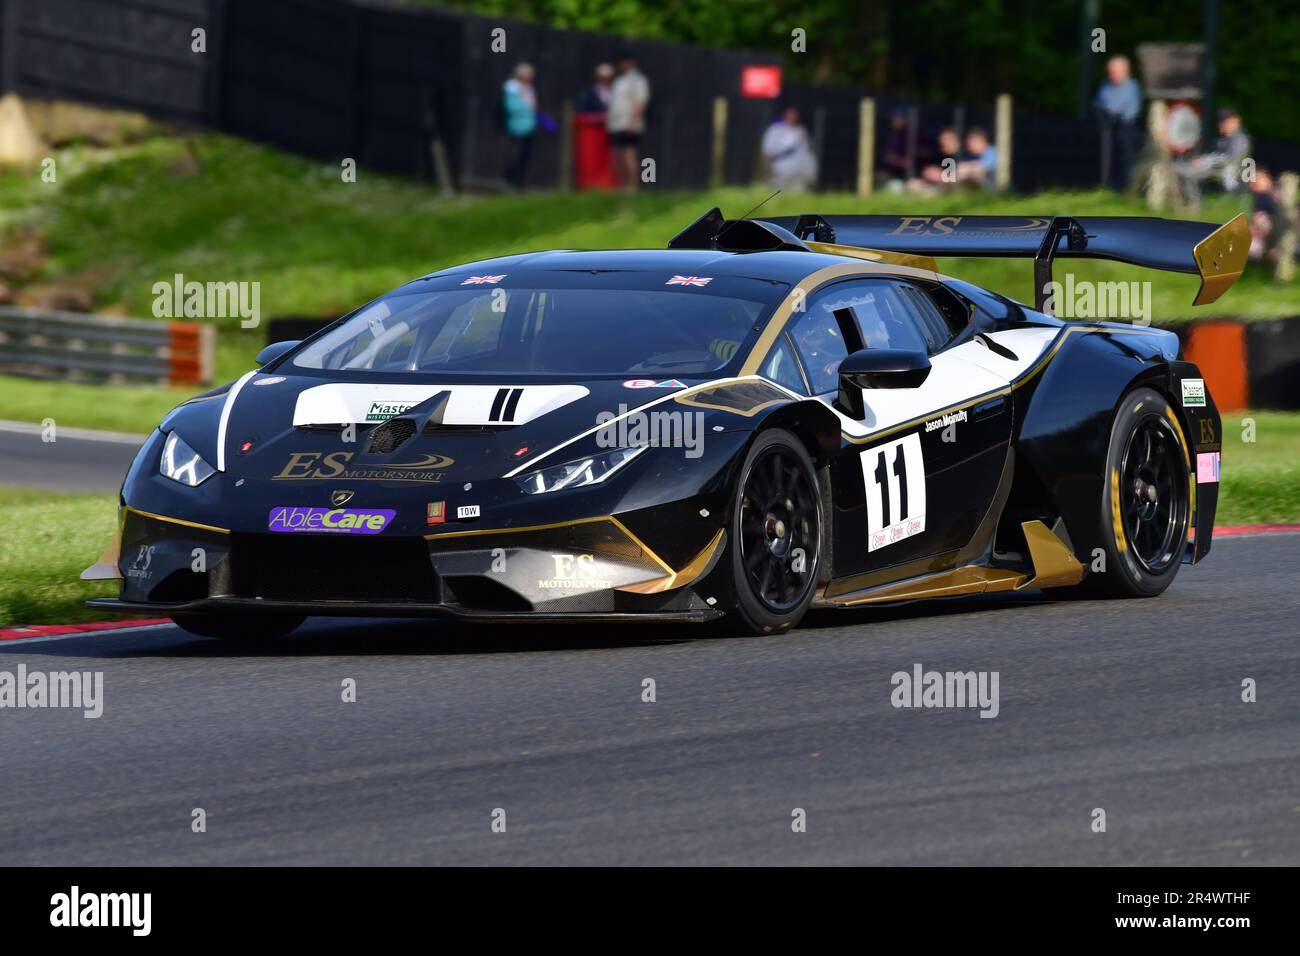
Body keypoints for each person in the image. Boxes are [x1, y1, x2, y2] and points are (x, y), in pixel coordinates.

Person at [1174, 108, 1251, 208]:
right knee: (1181, 168)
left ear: (1236, 121)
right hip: (1217, 168)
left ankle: (1193, 203)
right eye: (1222, 122)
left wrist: (1204, 161)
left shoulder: (1239, 139)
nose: (1223, 125)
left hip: (1228, 172)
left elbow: (1229, 159)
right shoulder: (1224, 139)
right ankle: (1188, 202)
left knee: (1187, 173)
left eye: (1226, 122)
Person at [1094, 55, 1143, 190]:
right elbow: (1098, 103)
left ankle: (1129, 186)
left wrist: (1113, 114)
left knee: (1127, 157)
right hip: (1107, 127)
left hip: (1126, 128)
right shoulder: (1105, 86)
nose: (1112, 75)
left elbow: (1131, 110)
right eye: (1110, 72)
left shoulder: (1132, 87)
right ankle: (1108, 184)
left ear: (1125, 71)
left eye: (1114, 72)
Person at [607, 53, 650, 192]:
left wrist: (633, 122)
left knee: (628, 155)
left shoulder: (637, 80)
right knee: (618, 155)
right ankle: (623, 185)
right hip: (616, 124)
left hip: (629, 123)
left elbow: (641, 102)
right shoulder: (619, 81)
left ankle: (632, 187)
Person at [761, 106, 817, 191]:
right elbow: (768, 150)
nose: (792, 117)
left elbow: (807, 153)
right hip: (780, 169)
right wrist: (768, 166)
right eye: (790, 114)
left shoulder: (801, 131)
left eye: (794, 114)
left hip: (797, 172)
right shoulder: (775, 130)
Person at [501, 62, 537, 191]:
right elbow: (512, 107)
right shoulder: (512, 88)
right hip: (517, 127)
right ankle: (513, 183)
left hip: (529, 127)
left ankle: (521, 183)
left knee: (525, 157)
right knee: (516, 156)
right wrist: (528, 110)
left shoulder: (529, 88)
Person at [906, 127, 960, 195]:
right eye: (941, 139)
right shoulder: (939, 155)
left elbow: (961, 177)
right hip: (936, 185)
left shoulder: (962, 156)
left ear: (955, 140)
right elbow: (929, 172)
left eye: (946, 139)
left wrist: (940, 176)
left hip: (953, 187)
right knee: (912, 184)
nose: (942, 142)